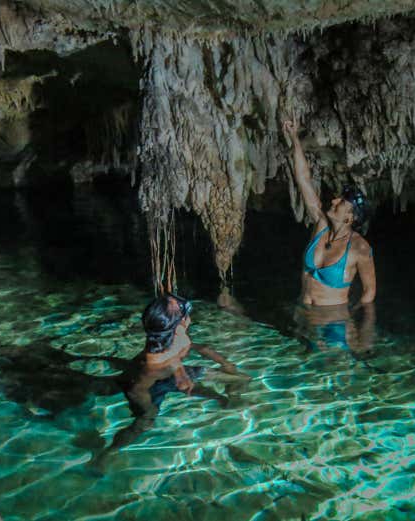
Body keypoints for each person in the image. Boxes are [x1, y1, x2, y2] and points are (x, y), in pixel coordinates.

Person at [93, 294, 249, 463]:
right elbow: (136, 389)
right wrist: (147, 410)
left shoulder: (176, 333)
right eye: (185, 313)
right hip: (151, 387)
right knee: (143, 424)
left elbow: (195, 347)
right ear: (180, 323)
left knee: (242, 379)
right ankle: (108, 453)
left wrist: (222, 362)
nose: (189, 316)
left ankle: (229, 399)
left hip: (172, 371)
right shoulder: (153, 364)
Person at [282, 119, 376, 307]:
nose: (334, 201)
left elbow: (369, 292)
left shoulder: (360, 248)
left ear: (350, 218)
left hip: (332, 324)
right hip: (303, 315)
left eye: (341, 202)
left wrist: (356, 323)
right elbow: (303, 179)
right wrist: (294, 138)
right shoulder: (321, 223)